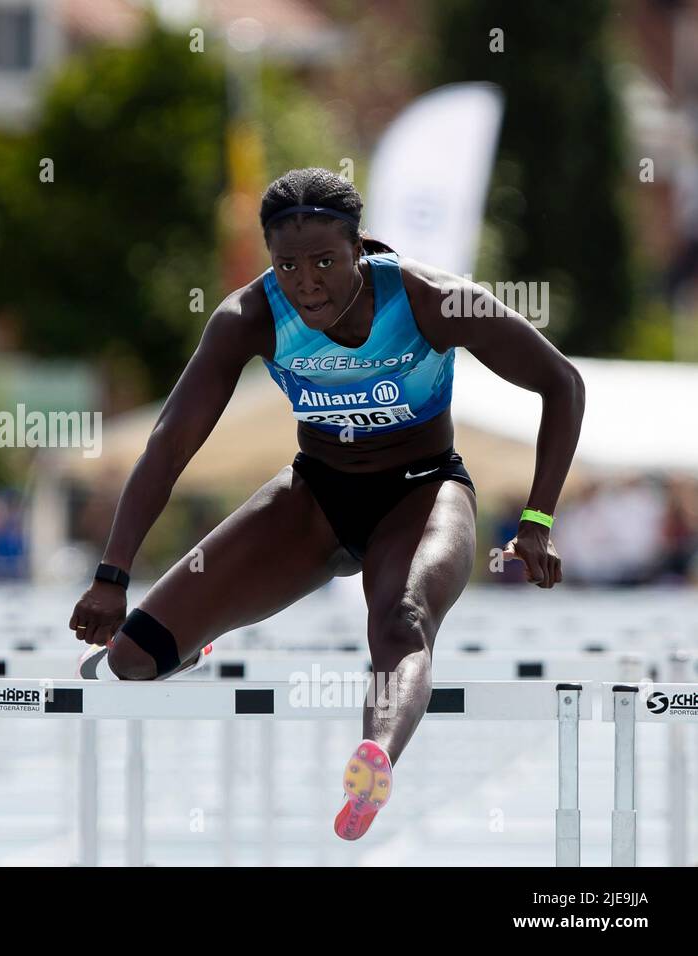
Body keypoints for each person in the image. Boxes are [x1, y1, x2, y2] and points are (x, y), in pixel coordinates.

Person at [69, 167, 584, 841]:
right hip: (315, 498)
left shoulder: (431, 299)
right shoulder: (248, 318)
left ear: (358, 249)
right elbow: (168, 448)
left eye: (325, 263)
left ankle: (373, 761)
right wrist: (113, 575)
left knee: (401, 621)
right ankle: (196, 638)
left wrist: (538, 521)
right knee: (134, 660)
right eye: (288, 265)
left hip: (424, 493)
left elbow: (562, 383)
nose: (308, 283)